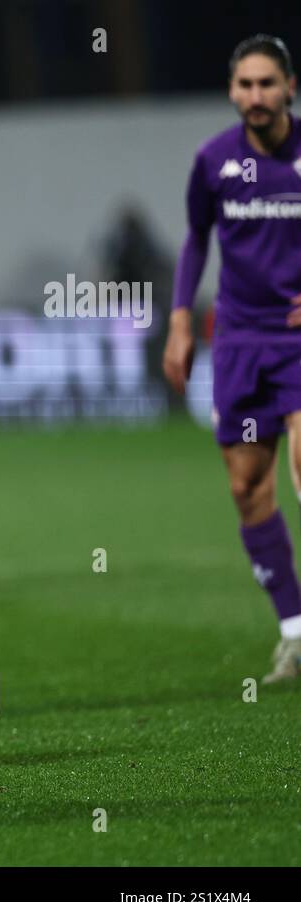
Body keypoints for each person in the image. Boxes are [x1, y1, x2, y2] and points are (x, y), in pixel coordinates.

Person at [162, 34, 301, 685]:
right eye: (244, 84)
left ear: (290, 88)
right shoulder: (214, 160)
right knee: (248, 487)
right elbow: (195, 237)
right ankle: (294, 632)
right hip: (242, 343)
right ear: (231, 91)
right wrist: (182, 319)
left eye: (267, 83)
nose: (255, 96)